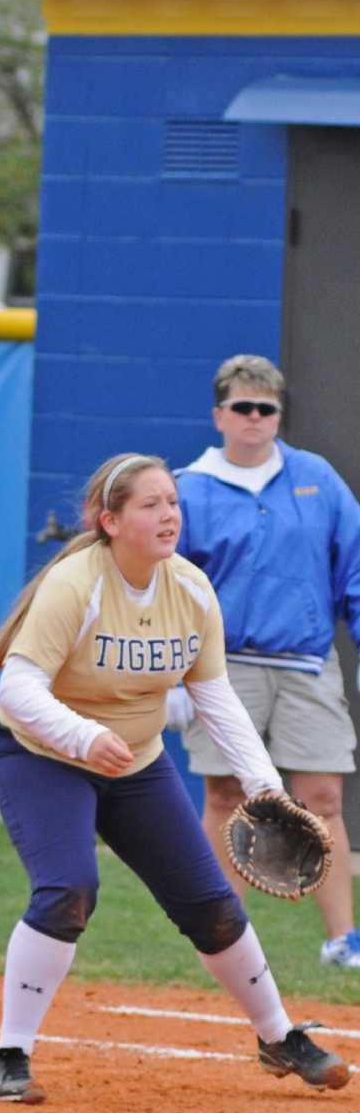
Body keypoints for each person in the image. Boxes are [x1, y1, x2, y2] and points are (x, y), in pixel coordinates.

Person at [0, 450, 349, 1105]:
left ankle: (279, 1037)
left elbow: (214, 696)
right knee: (67, 890)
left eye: (171, 502)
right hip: (41, 756)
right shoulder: (76, 584)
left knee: (210, 905)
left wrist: (262, 782)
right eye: (149, 505)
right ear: (110, 521)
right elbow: (19, 688)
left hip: (135, 764)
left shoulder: (190, 588)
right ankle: (10, 1053)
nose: (168, 515)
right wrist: (83, 736)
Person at [173, 353, 360, 969]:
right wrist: (173, 674)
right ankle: (221, 937)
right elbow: (170, 587)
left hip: (306, 662)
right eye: (243, 407)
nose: (254, 418)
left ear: (279, 415)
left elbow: (356, 566)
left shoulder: (316, 479)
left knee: (322, 797)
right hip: (221, 669)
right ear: (219, 416)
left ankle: (343, 940)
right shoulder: (188, 488)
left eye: (266, 408)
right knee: (226, 796)